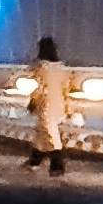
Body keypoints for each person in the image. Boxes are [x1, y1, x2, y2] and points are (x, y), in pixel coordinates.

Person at [31, 34, 74, 178]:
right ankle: (35, 159)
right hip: (59, 104)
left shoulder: (41, 67)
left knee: (50, 132)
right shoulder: (62, 68)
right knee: (42, 131)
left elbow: (38, 87)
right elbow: (66, 87)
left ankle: (57, 163)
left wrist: (32, 101)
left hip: (45, 104)